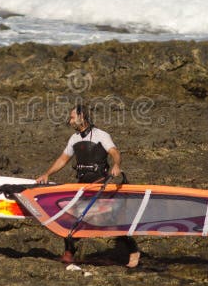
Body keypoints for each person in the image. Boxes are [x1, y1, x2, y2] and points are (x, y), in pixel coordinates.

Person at [36, 104, 141, 268]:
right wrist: (47, 174)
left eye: (72, 117)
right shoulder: (74, 139)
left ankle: (133, 250)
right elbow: (63, 159)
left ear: (82, 117)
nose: (69, 121)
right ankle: (69, 253)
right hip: (83, 186)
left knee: (111, 221)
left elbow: (114, 152)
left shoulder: (101, 135)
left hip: (101, 185)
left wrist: (116, 165)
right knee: (72, 218)